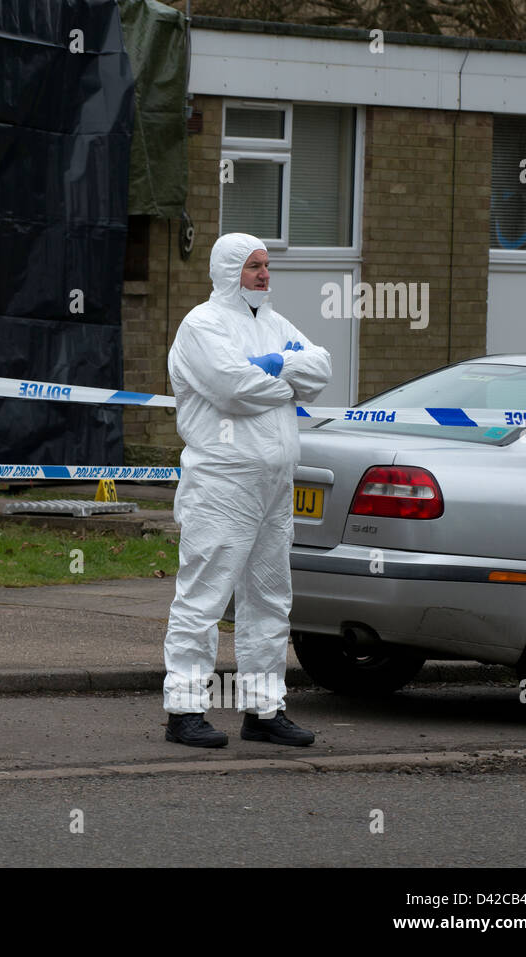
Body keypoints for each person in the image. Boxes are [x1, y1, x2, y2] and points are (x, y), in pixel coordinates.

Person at [161, 232, 331, 748]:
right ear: (229, 271)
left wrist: (273, 367)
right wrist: (286, 378)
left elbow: (321, 369)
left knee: (270, 600)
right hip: (222, 484)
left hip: (275, 486)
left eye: (266, 264)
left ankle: (263, 709)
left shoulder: (275, 324)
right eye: (253, 266)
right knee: (204, 598)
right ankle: (185, 709)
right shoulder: (202, 325)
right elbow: (232, 390)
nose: (264, 274)